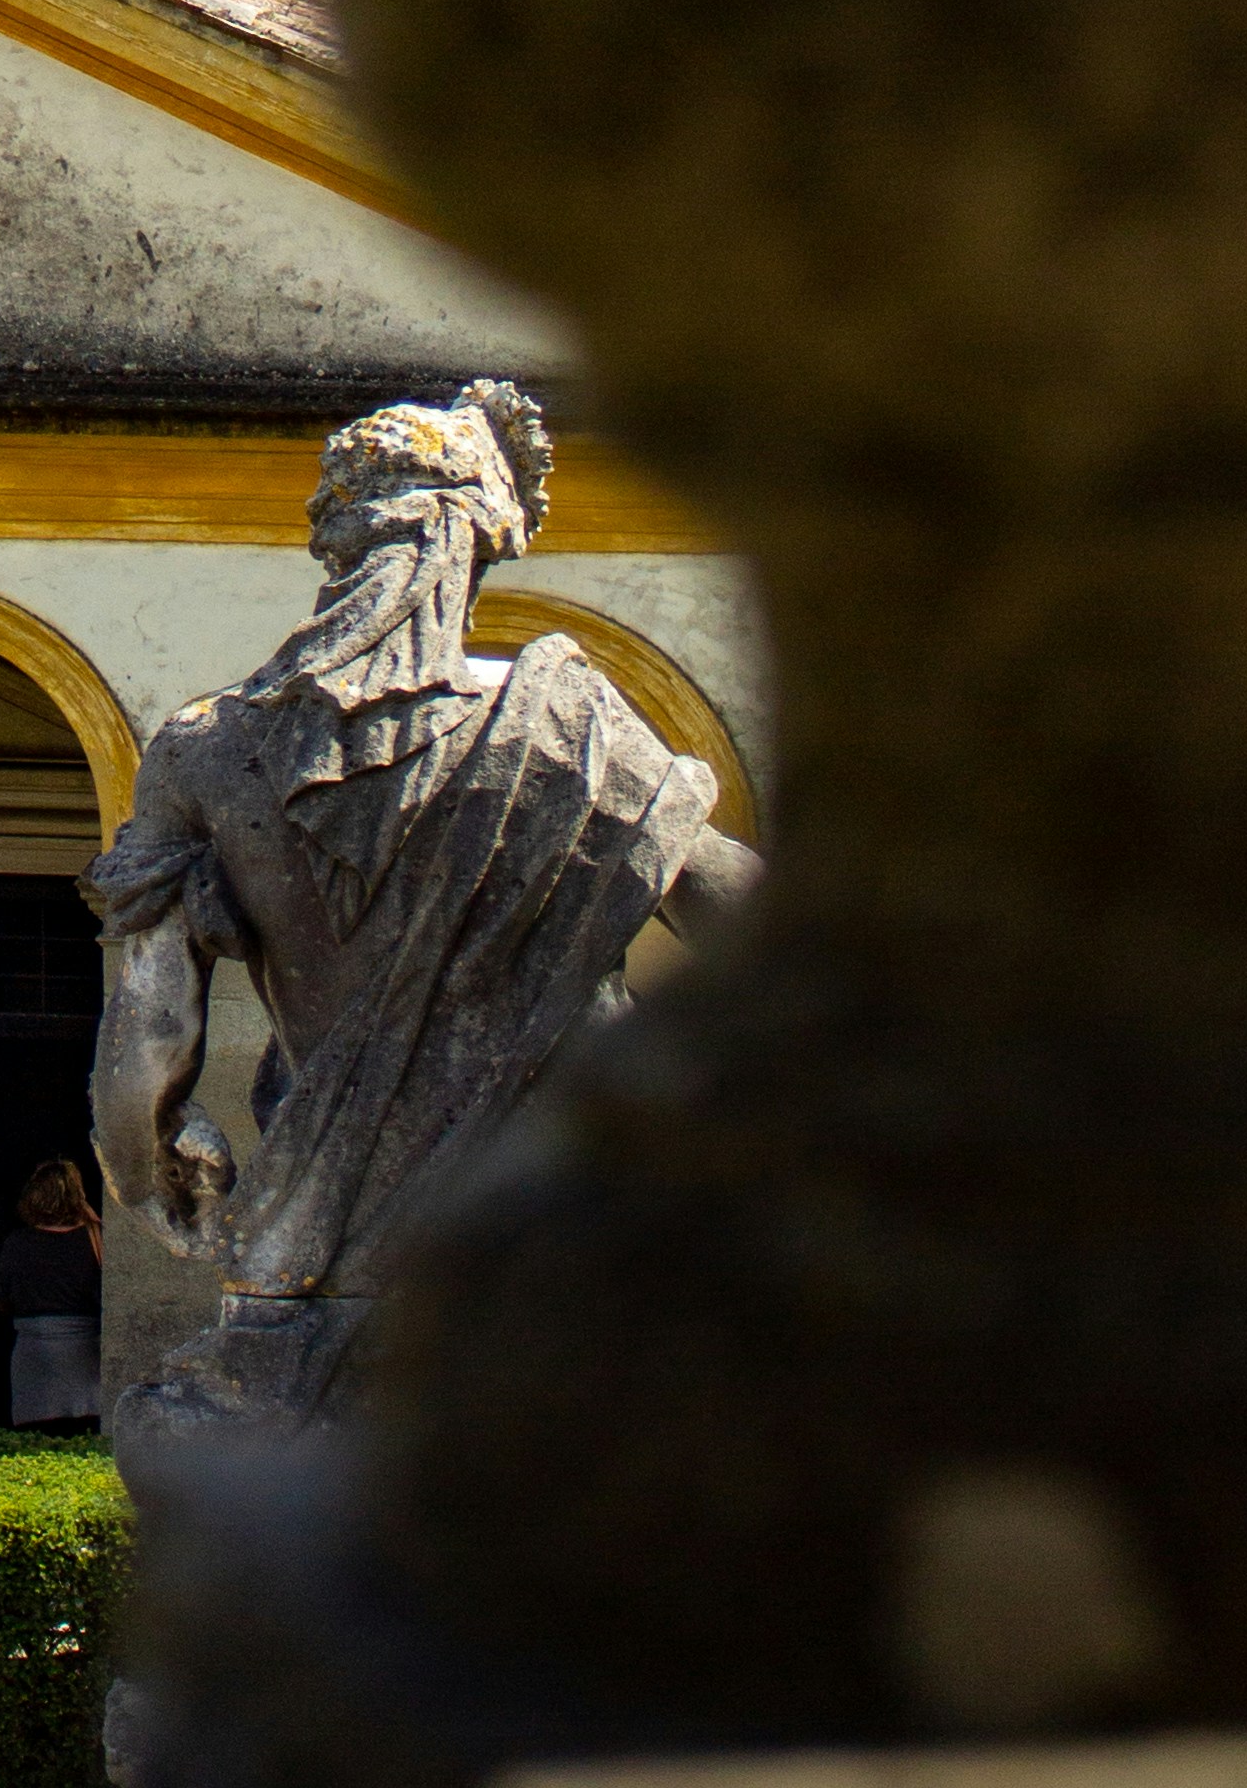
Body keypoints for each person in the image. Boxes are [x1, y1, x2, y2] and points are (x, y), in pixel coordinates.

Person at [88, 376, 759, 1434]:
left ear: (336, 543)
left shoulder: (207, 747)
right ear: (481, 542)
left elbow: (147, 1034)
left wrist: (142, 1169)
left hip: (306, 1252)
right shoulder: (565, 730)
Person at [0, 1154, 104, 1430]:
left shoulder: (17, 1244)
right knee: (84, 1436)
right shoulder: (96, 1240)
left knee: (34, 1436)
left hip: (33, 1352)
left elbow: (0, 1304)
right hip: (84, 1351)